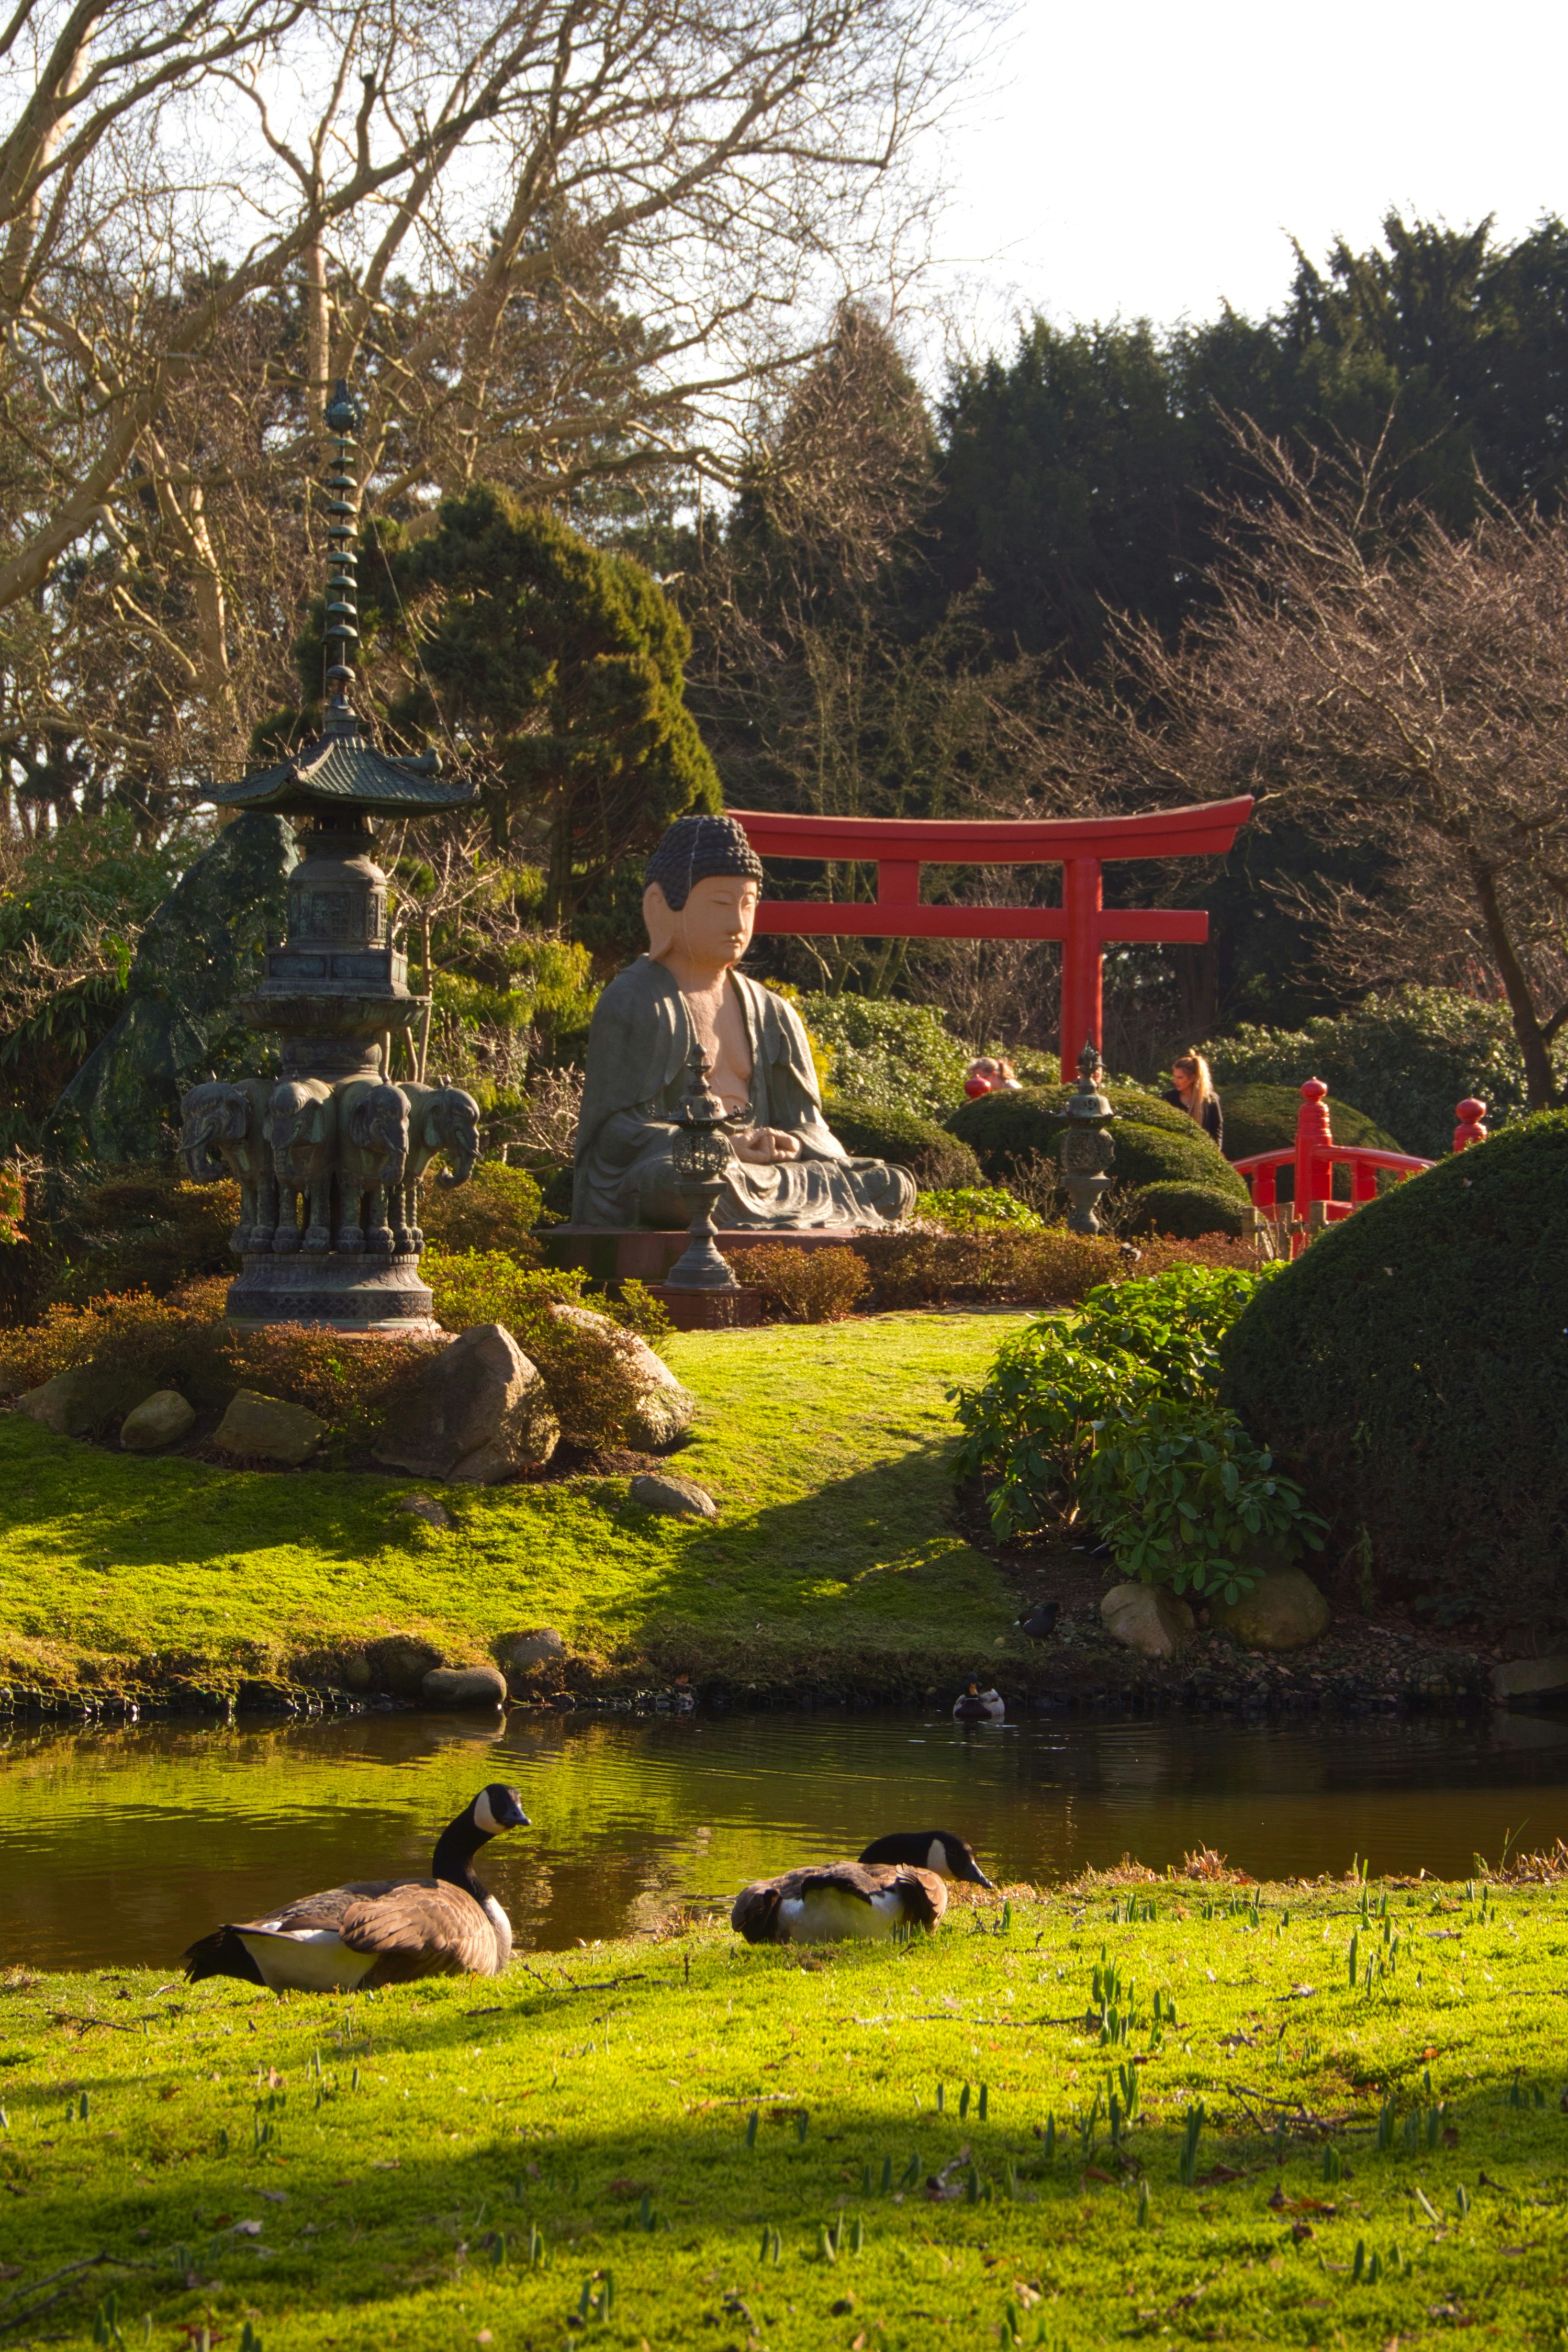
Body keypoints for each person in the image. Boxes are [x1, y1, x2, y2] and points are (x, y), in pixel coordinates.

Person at [571, 813, 917, 1229]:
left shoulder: (773, 1011)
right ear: (660, 906)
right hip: (690, 1170)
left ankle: (774, 1208)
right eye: (719, 904)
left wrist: (792, 1141)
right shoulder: (636, 1000)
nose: (738, 924)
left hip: (772, 1175)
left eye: (748, 905)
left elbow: (809, 1124)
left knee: (891, 1184)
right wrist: (721, 1146)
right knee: (687, 1184)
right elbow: (613, 1134)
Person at [1166, 1049, 1223, 1150]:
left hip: (1204, 1152)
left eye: (1180, 1078)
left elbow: (1217, 1128)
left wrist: (1215, 1153)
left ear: (1192, 1078)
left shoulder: (1211, 1100)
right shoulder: (1169, 1098)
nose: (1175, 1081)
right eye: (1174, 1077)